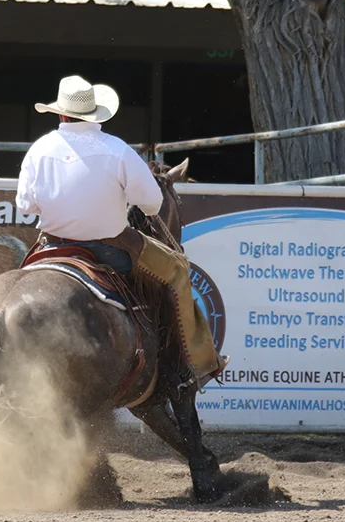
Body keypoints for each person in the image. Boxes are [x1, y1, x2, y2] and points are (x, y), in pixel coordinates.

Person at [15, 75, 229, 391]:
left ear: (60, 114)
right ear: (94, 113)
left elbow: (24, 207)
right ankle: (193, 365)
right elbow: (153, 203)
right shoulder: (117, 149)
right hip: (110, 247)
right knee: (177, 271)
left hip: (51, 246)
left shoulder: (39, 149)